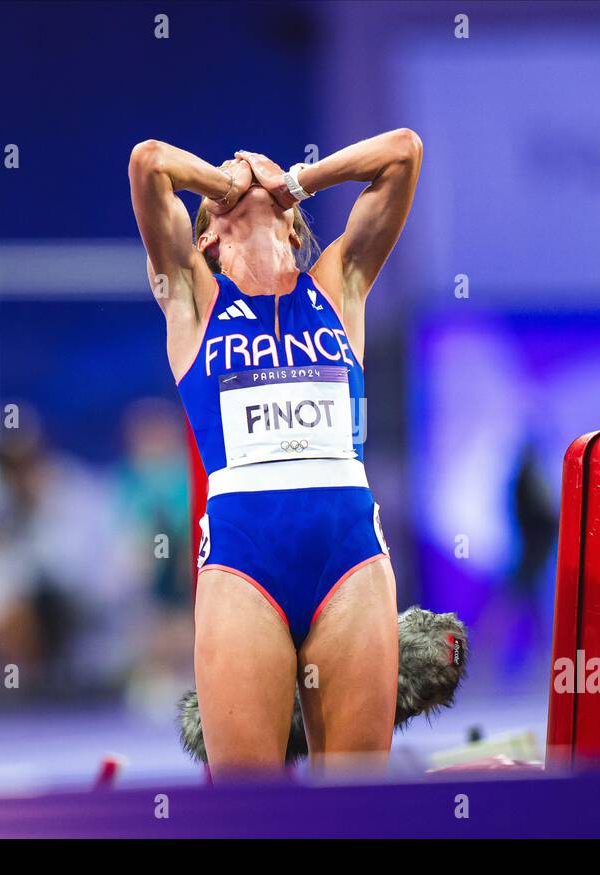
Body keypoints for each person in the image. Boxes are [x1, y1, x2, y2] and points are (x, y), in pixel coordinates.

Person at [128, 130, 422, 778]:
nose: (248, 173)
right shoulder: (193, 297)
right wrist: (222, 184)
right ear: (207, 237)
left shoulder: (340, 284)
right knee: (248, 811)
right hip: (244, 569)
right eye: (233, 183)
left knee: (357, 803)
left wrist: (301, 182)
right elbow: (149, 164)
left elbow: (402, 154)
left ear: (294, 229)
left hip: (351, 562)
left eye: (264, 186)